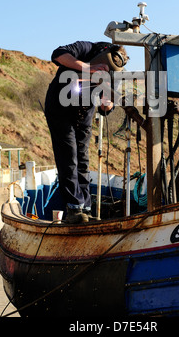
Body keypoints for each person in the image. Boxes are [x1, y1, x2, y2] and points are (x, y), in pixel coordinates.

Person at [45, 40, 128, 224]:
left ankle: (86, 208)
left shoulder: (113, 73)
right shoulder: (86, 48)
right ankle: (74, 209)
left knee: (82, 160)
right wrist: (87, 67)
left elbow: (107, 106)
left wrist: (108, 105)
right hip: (60, 109)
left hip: (84, 113)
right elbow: (58, 53)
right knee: (69, 157)